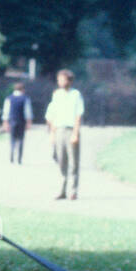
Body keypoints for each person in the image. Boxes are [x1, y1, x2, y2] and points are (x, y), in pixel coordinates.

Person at [45, 68, 84, 200]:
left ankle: (73, 190)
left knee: (73, 161)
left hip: (70, 130)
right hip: (59, 130)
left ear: (69, 80)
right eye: (59, 79)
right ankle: (62, 189)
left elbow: (78, 115)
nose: (60, 81)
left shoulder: (76, 95)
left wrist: (75, 133)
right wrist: (52, 133)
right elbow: (52, 115)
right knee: (61, 160)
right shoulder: (57, 95)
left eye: (62, 79)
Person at [1, 80, 33, 164]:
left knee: (12, 138)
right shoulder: (25, 98)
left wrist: (5, 122)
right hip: (21, 121)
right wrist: (29, 122)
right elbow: (27, 112)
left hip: (12, 120)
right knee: (21, 139)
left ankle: (12, 154)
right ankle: (19, 158)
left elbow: (6, 111)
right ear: (22, 89)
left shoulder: (9, 98)